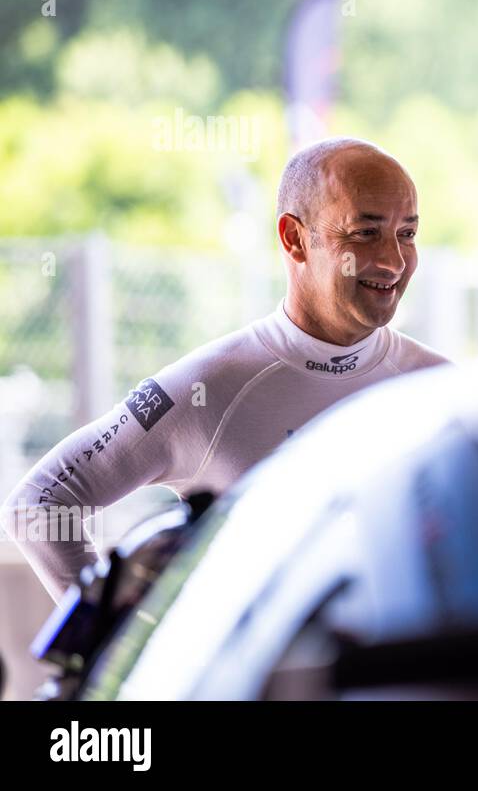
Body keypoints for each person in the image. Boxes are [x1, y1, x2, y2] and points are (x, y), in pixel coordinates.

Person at [1, 137, 449, 599]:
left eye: (408, 233)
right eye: (364, 232)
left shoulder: (444, 390)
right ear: (295, 239)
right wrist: (117, 650)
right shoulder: (210, 386)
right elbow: (39, 503)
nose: (394, 261)